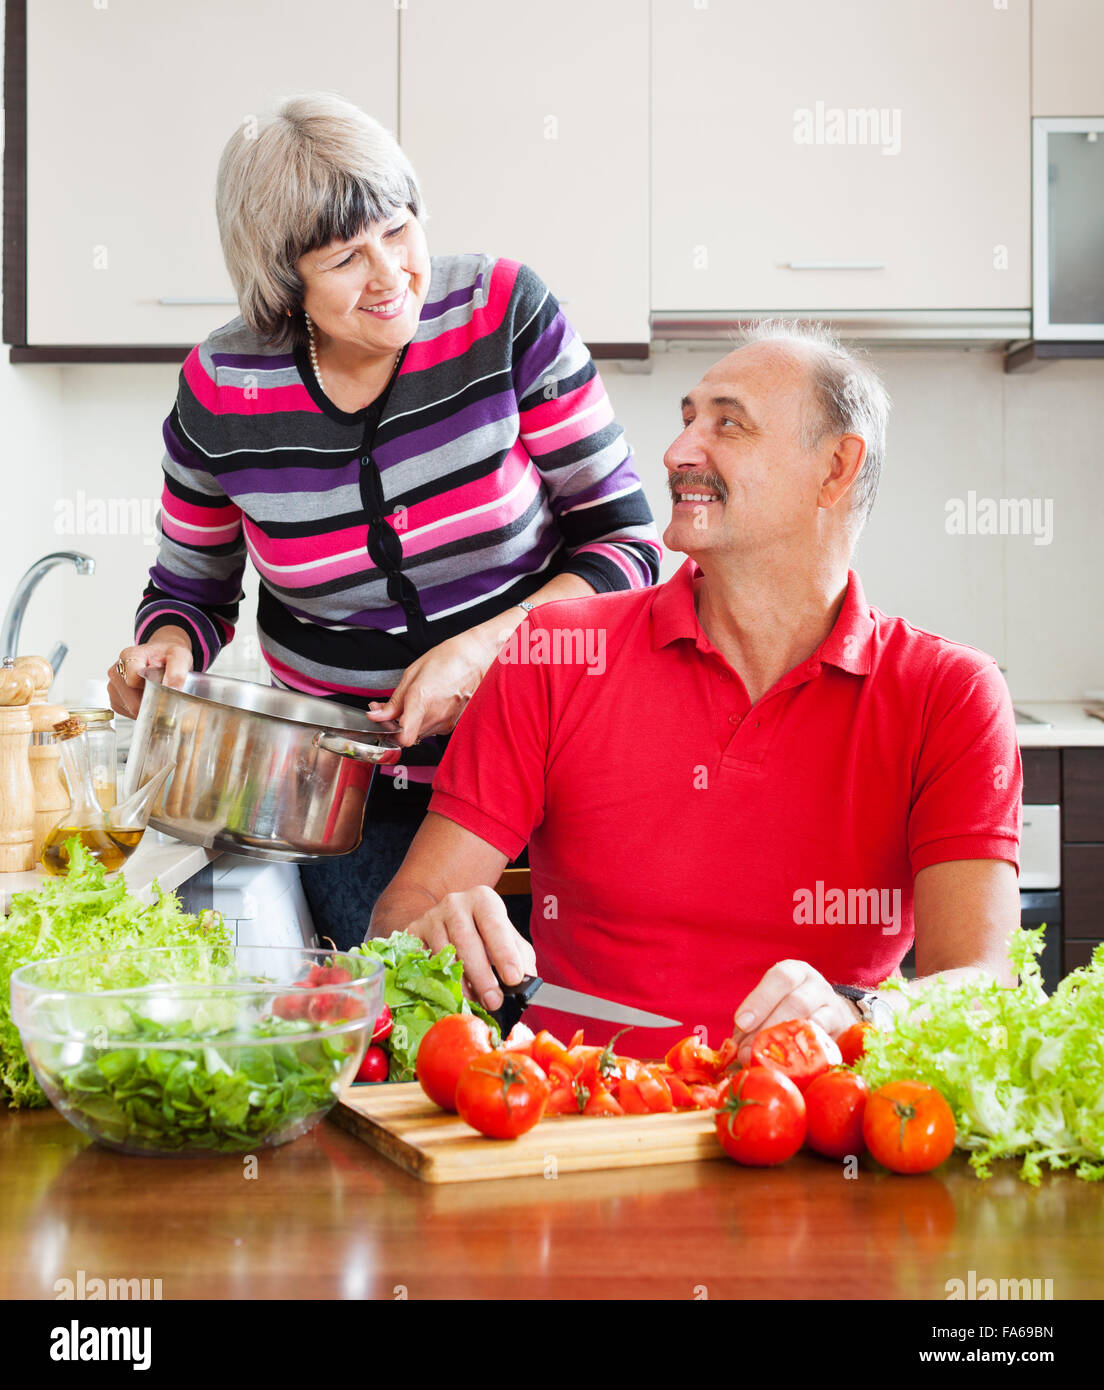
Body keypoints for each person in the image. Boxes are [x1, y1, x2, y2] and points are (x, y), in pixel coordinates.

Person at [369, 320, 1024, 1058]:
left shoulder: (949, 694)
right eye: (686, 420)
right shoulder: (556, 652)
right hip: (583, 1120)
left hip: (816, 1127)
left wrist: (862, 1015)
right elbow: (402, 915)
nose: (678, 452)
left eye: (728, 424)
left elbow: (983, 983)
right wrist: (433, 931)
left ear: (836, 470)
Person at [106, 93, 660, 948]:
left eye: (399, 230)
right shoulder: (224, 390)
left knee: (549, 1041)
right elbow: (192, 589)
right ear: (281, 281)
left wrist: (483, 651)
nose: (392, 274)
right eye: (343, 258)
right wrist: (167, 652)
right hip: (349, 801)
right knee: (399, 1038)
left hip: (556, 776)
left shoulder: (501, 314)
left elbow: (626, 545)